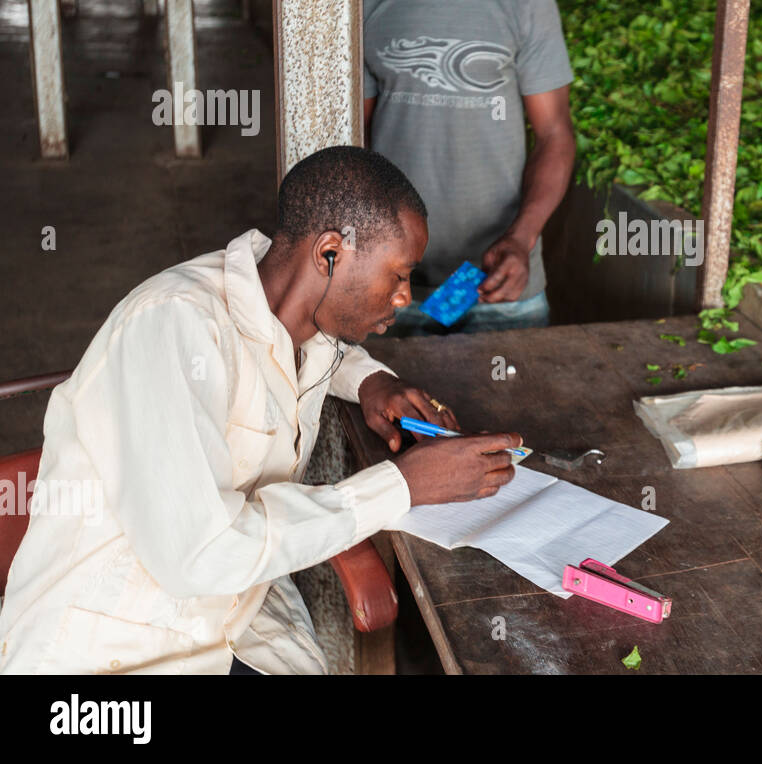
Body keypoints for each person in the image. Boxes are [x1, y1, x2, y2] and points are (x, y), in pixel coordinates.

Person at [0, 146, 518, 674]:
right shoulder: (171, 327)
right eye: (399, 274)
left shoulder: (300, 318)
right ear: (329, 254)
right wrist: (402, 486)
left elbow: (295, 348)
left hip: (238, 630)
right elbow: (198, 556)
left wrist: (371, 380)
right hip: (115, 650)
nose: (405, 296)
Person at [363, 0, 576, 335]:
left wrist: (521, 239)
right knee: (402, 416)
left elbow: (555, 134)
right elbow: (353, 141)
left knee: (508, 414)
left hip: (493, 283)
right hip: (395, 286)